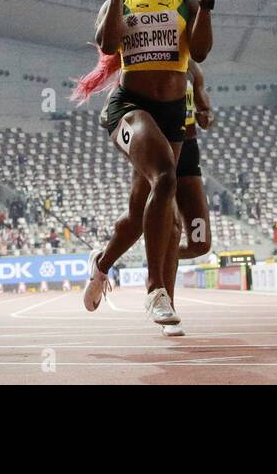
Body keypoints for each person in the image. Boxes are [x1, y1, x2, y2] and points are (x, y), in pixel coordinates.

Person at [73, 0, 227, 330]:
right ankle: (156, 290)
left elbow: (203, 53)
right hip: (129, 109)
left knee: (139, 214)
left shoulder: (187, 6)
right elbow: (108, 47)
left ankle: (102, 263)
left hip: (174, 115)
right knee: (164, 179)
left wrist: (208, 5)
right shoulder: (122, 2)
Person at [81, 60, 216, 336]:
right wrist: (134, 133)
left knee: (199, 243)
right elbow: (111, 112)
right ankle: (165, 303)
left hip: (186, 151)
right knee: (171, 227)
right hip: (154, 149)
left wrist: (205, 115)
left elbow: (205, 109)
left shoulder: (192, 70)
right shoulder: (144, 65)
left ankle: (104, 263)